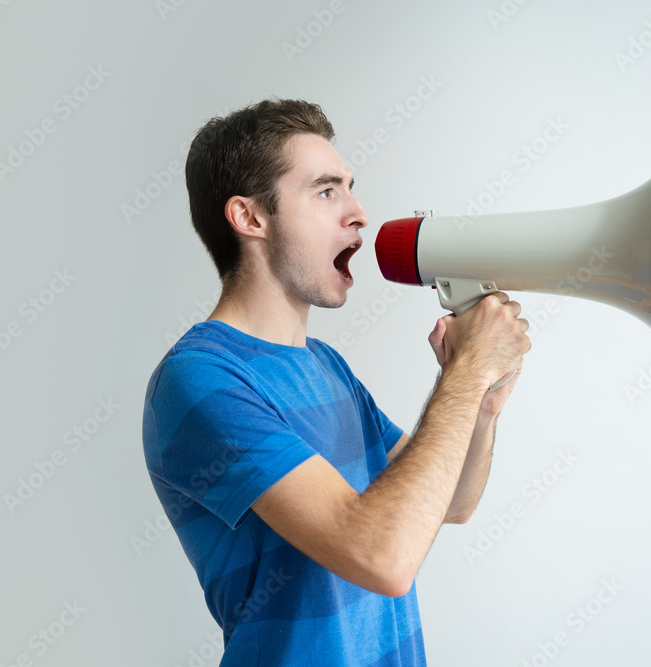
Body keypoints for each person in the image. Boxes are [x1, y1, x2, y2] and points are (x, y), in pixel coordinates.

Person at [142, 98, 530, 666]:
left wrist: (483, 399)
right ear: (250, 218)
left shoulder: (326, 364)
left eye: (349, 187)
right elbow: (384, 558)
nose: (359, 213)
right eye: (326, 191)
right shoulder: (200, 379)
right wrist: (466, 373)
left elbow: (453, 503)